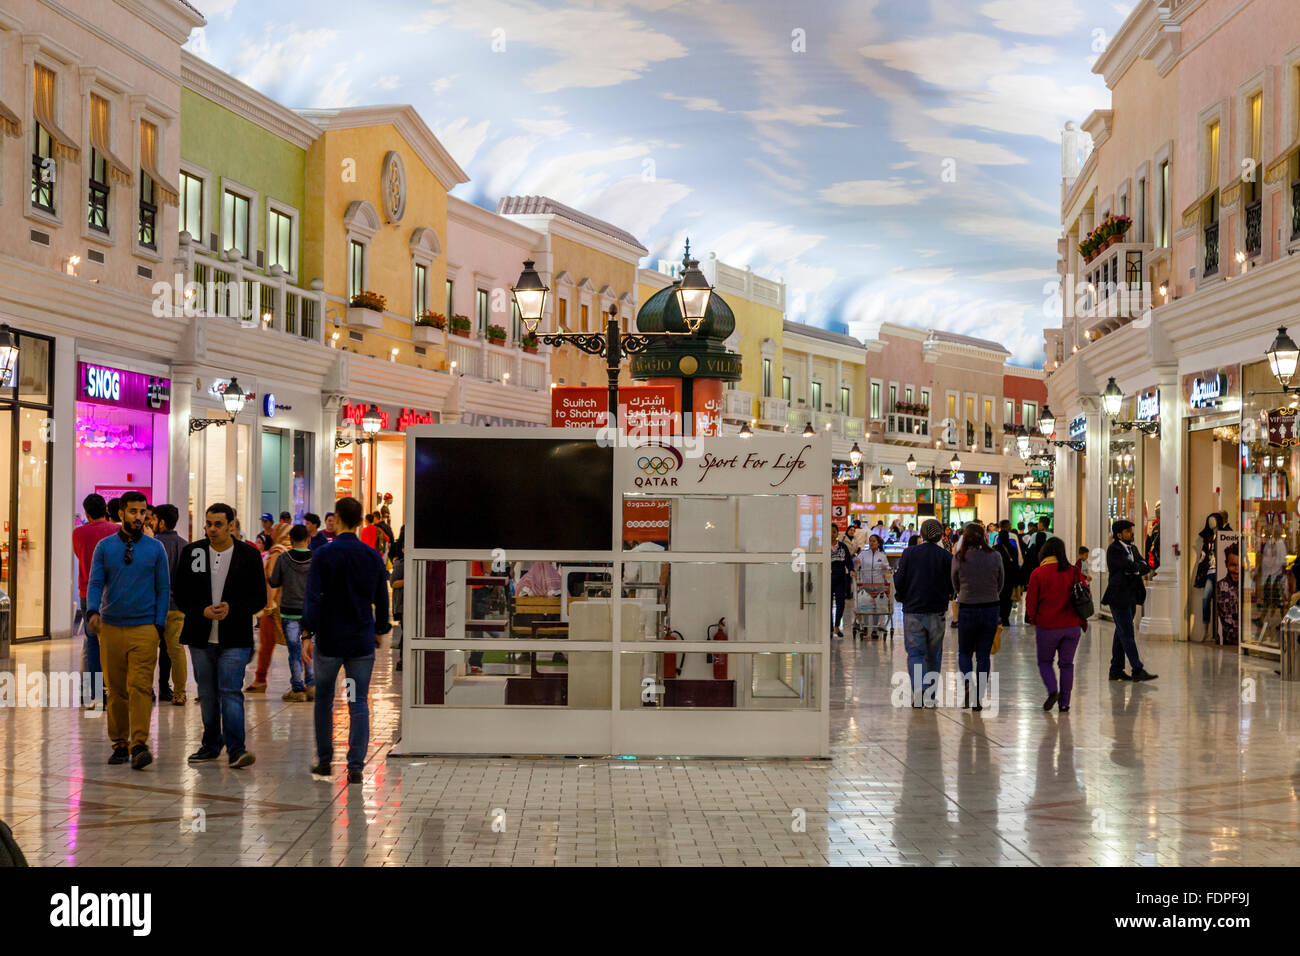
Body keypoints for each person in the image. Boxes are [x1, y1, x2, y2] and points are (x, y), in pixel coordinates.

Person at [173, 503, 267, 768]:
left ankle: (237, 749)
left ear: (231, 526)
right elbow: (180, 593)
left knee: (230, 691)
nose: (211, 530)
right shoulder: (193, 552)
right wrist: (200, 610)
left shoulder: (248, 555)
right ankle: (211, 744)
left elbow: (259, 597)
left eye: (218, 525)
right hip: (200, 637)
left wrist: (233, 608)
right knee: (207, 692)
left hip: (235, 638)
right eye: (208, 524)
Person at [304, 497, 390, 783]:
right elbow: (381, 597)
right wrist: (379, 628)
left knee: (324, 701)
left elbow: (313, 597)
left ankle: (325, 761)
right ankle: (355, 766)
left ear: (338, 519)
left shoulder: (324, 555)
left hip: (329, 641)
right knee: (357, 702)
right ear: (358, 521)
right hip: (359, 643)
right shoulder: (371, 556)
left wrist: (307, 632)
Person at [85, 491, 170, 770]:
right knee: (117, 690)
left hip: (145, 627)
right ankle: (120, 743)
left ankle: (139, 744)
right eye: (133, 511)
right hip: (110, 627)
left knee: (141, 686)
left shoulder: (156, 549)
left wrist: (158, 624)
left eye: (142, 511)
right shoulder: (104, 547)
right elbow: (95, 582)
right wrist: (93, 611)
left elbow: (163, 588)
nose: (138, 517)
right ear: (121, 513)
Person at [893, 519, 953, 707]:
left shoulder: (909, 553)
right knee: (934, 655)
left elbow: (899, 579)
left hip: (913, 610)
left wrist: (902, 597)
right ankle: (930, 696)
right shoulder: (946, 556)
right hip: (937, 611)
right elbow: (952, 584)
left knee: (915, 653)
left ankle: (918, 690)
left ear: (922, 533)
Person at [1026, 537, 1087, 712]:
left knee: (1045, 661)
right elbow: (1085, 594)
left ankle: (1053, 690)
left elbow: (1031, 603)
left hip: (1048, 626)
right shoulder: (1074, 571)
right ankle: (1065, 703)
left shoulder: (1038, 573)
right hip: (1072, 626)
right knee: (1067, 664)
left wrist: (1034, 619)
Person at [950, 523, 1003, 710]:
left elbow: (954, 582)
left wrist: (963, 592)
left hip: (967, 607)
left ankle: (966, 683)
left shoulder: (959, 557)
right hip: (990, 608)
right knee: (983, 655)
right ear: (984, 537)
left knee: (964, 651)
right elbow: (1000, 582)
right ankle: (979, 697)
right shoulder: (995, 556)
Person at [72, 494, 119, 706]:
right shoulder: (116, 530)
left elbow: (78, 555)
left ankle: (95, 692)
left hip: (86, 591)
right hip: (111, 592)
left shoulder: (79, 533)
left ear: (88, 513)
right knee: (113, 641)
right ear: (106, 510)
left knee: (92, 641)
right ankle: (113, 689)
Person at [1101, 519, 1157, 682]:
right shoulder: (1114, 549)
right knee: (1127, 632)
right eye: (1127, 531)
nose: (1131, 533)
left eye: (1131, 530)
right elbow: (1130, 567)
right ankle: (1137, 669)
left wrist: (1135, 568)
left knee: (1121, 632)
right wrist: (1135, 568)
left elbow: (1144, 565)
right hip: (1118, 597)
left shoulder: (1133, 548)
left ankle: (1116, 670)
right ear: (1119, 535)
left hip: (1132, 595)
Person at [269, 524, 316, 700]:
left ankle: (297, 689)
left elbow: (274, 582)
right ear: (308, 539)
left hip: (289, 612)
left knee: (294, 651)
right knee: (310, 649)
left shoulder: (283, 558)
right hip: (310, 613)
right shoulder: (316, 559)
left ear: (290, 540)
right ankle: (311, 686)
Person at [248, 524, 290, 693]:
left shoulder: (277, 551)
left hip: (275, 607)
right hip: (291, 604)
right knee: (296, 644)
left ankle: (260, 679)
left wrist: (269, 604)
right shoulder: (292, 550)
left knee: (266, 644)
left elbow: (273, 579)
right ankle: (309, 680)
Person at [153, 504, 188, 706]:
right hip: (177, 607)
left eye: (154, 519)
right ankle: (180, 692)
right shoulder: (185, 546)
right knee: (176, 650)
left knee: (148, 651)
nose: (152, 523)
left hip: (156, 606)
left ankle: (145, 691)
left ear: (162, 522)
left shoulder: (153, 544)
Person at [856, 533, 891, 640]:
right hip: (865, 584)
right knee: (866, 606)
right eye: (870, 541)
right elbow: (856, 563)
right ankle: (865, 627)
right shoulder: (863, 554)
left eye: (873, 541)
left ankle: (875, 630)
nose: (871, 543)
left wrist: (886, 569)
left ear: (878, 543)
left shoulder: (882, 556)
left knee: (876, 607)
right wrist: (856, 563)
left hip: (878, 584)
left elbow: (887, 569)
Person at [994, 518, 1022, 626]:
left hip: (998, 576)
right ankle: (1005, 618)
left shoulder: (995, 548)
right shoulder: (1013, 548)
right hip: (1010, 577)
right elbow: (1017, 561)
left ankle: (999, 616)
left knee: (999, 596)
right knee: (1008, 598)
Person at [829, 523, 853, 639]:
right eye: (830, 532)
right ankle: (829, 628)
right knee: (827, 604)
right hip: (827, 579)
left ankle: (837, 626)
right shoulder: (823, 547)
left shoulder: (842, 547)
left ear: (837, 533)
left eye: (834, 532)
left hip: (840, 579)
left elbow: (849, 561)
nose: (832, 534)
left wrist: (852, 569)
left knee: (841, 603)